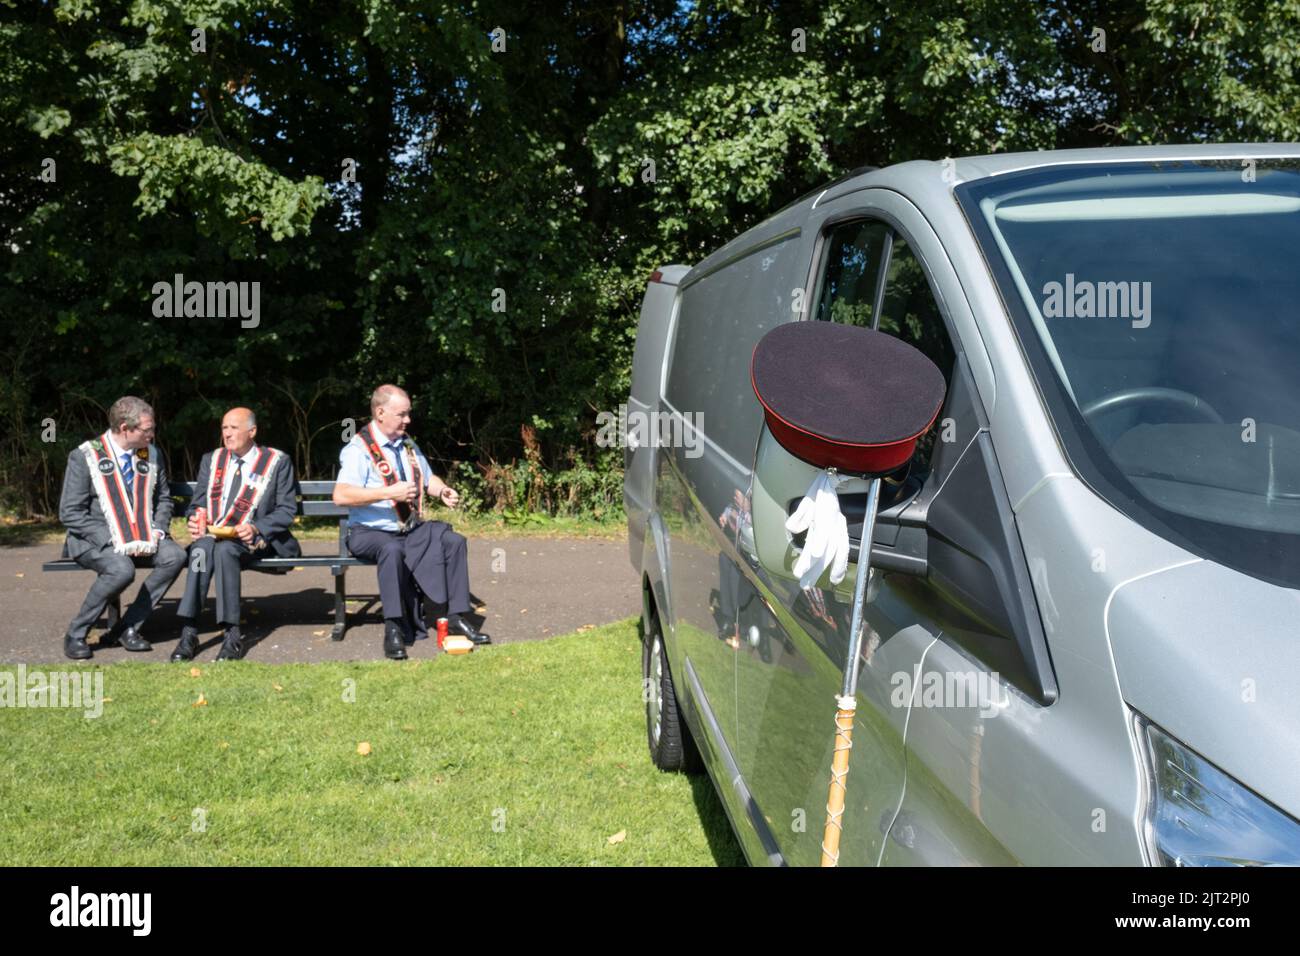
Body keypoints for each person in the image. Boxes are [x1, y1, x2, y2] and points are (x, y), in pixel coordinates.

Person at [333, 384, 490, 660]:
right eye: (402, 414)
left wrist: (442, 491)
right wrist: (387, 492)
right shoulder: (358, 449)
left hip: (409, 529)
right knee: (391, 550)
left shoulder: (407, 445)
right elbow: (341, 495)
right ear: (380, 413)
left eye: (408, 414)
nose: (408, 420)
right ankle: (394, 627)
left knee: (454, 541)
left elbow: (427, 479)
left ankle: (455, 617)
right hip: (369, 532)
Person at [58, 396, 185, 659]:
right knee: (121, 569)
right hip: (95, 539)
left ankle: (127, 628)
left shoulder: (151, 454)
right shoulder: (84, 456)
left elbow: (163, 499)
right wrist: (114, 538)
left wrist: (158, 530)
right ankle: (76, 633)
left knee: (176, 555)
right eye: (147, 429)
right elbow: (70, 513)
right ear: (125, 429)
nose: (152, 434)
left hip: (144, 534)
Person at [172, 407, 301, 662]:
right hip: (214, 536)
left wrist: (256, 527)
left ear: (252, 431)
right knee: (199, 550)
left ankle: (232, 635)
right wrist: (196, 518)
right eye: (224, 428)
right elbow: (198, 503)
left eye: (233, 428)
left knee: (225, 551)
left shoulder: (276, 461)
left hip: (251, 539)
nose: (227, 434)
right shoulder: (213, 459)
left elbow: (287, 510)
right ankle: (189, 631)